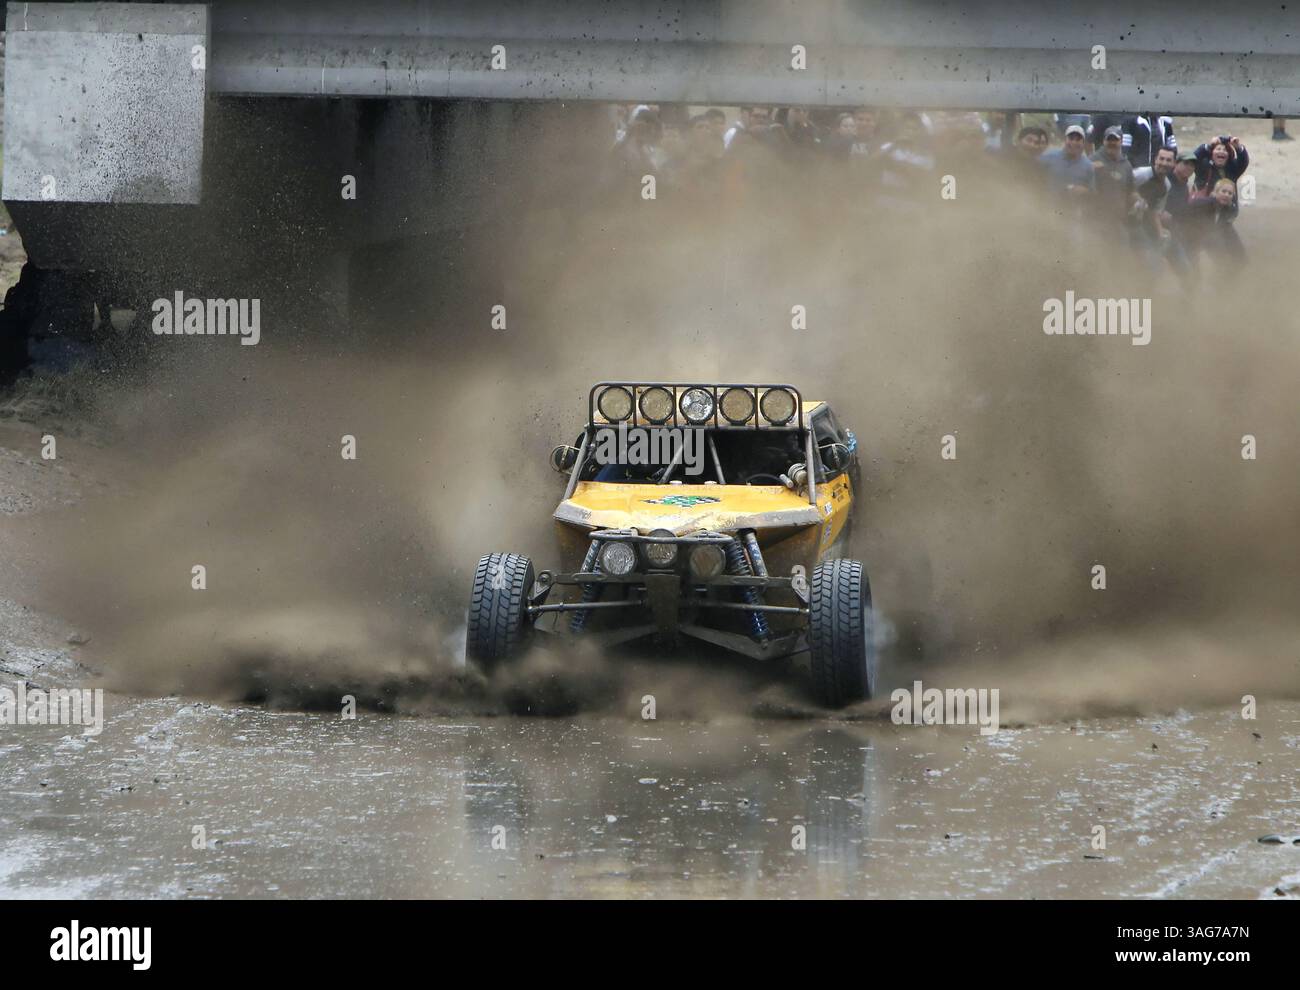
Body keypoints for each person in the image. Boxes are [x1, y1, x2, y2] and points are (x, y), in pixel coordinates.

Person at [1089, 125, 1137, 224]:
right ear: (1103, 141)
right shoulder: (1092, 160)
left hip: (1118, 218)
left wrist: (1139, 201)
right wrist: (1090, 168)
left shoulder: (1126, 165)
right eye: (1109, 139)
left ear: (1121, 142)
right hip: (1095, 217)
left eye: (1115, 140)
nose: (1112, 143)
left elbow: (1131, 191)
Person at [1039, 123, 1096, 202]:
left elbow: (1093, 192)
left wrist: (1084, 191)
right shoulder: (1048, 157)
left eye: (1078, 139)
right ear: (1065, 140)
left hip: (1074, 210)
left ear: (1083, 143)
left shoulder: (1088, 165)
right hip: (1048, 207)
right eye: (1071, 138)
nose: (1074, 142)